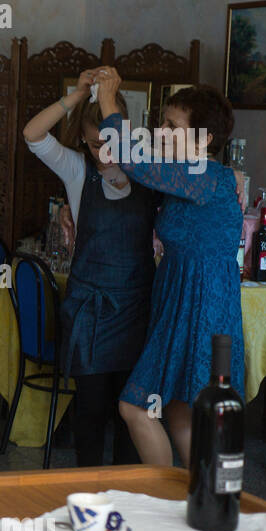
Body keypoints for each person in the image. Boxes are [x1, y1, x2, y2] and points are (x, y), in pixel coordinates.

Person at [97, 71, 244, 466]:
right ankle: (206, 501)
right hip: (181, 298)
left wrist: (108, 100)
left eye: (171, 125)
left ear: (204, 139)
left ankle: (166, 507)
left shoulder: (205, 176)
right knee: (178, 410)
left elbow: (131, 159)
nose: (159, 131)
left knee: (136, 407)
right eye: (161, 122)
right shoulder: (191, 177)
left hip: (201, 306)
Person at [23, 71, 155, 466]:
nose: (105, 153)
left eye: (112, 143)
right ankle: (89, 495)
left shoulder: (148, 170)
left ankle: (129, 499)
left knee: (132, 414)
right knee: (91, 411)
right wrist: (76, 96)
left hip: (137, 307)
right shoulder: (77, 171)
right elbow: (32, 134)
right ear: (82, 138)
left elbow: (195, 172)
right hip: (92, 310)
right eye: (96, 143)